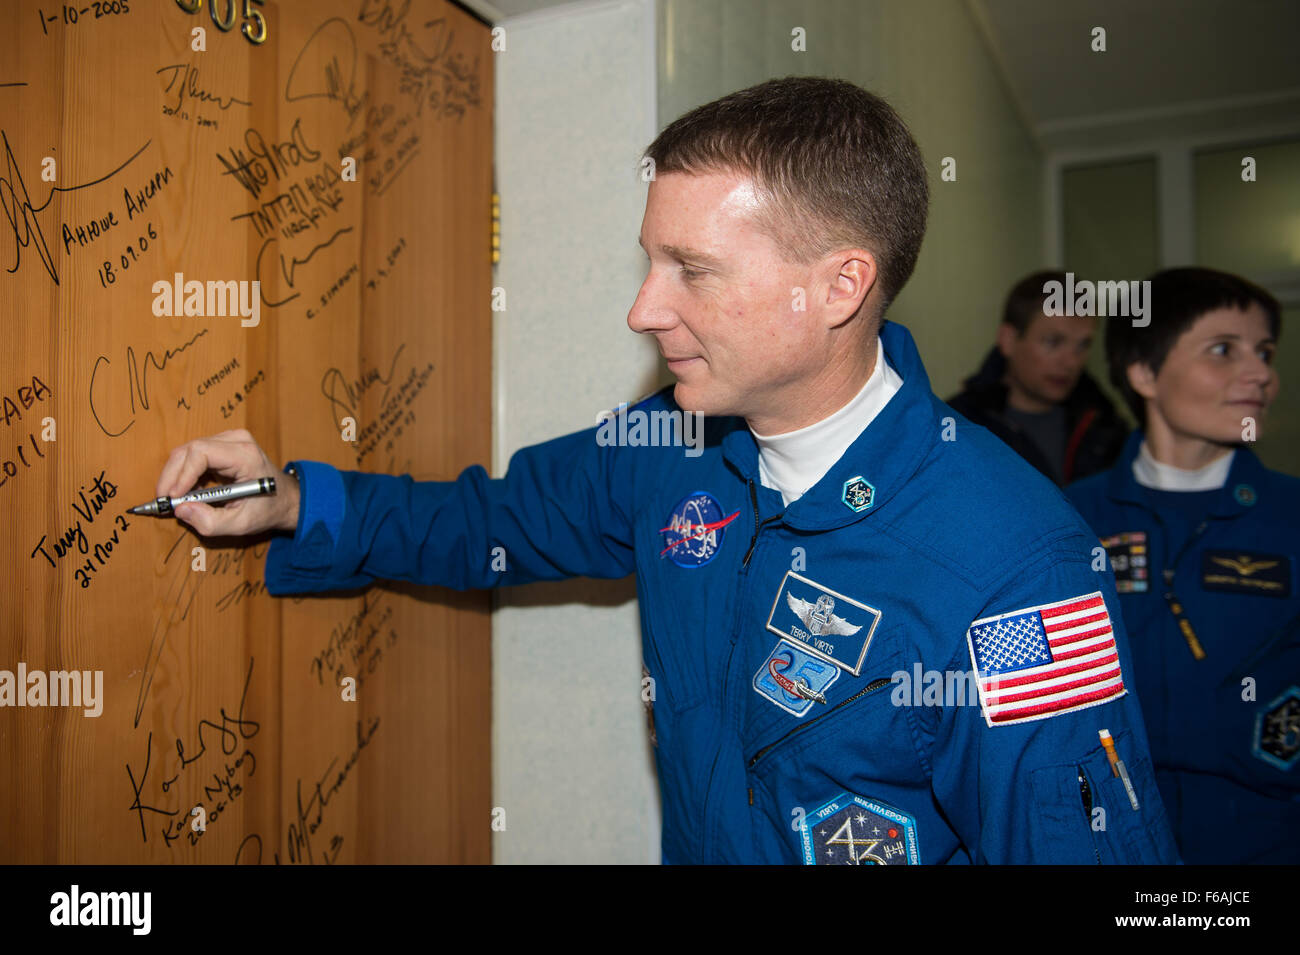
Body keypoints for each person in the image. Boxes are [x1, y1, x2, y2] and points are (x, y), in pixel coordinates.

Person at [153, 77, 1176, 864]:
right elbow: (489, 521)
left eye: (691, 269)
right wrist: (289, 500)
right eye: (650, 260)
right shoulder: (674, 450)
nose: (643, 310)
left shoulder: (1016, 567)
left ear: (838, 286)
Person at [1066, 267, 1300, 864]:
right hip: (1109, 842)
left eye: (1265, 352)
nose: (1261, 374)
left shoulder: (1289, 516)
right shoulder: (1069, 517)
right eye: (1223, 350)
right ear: (1144, 372)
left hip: (1265, 838)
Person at [947, 271, 1128, 485]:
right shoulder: (958, 427)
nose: (1071, 362)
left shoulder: (1108, 428)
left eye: (1083, 345)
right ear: (1008, 340)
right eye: (1053, 342)